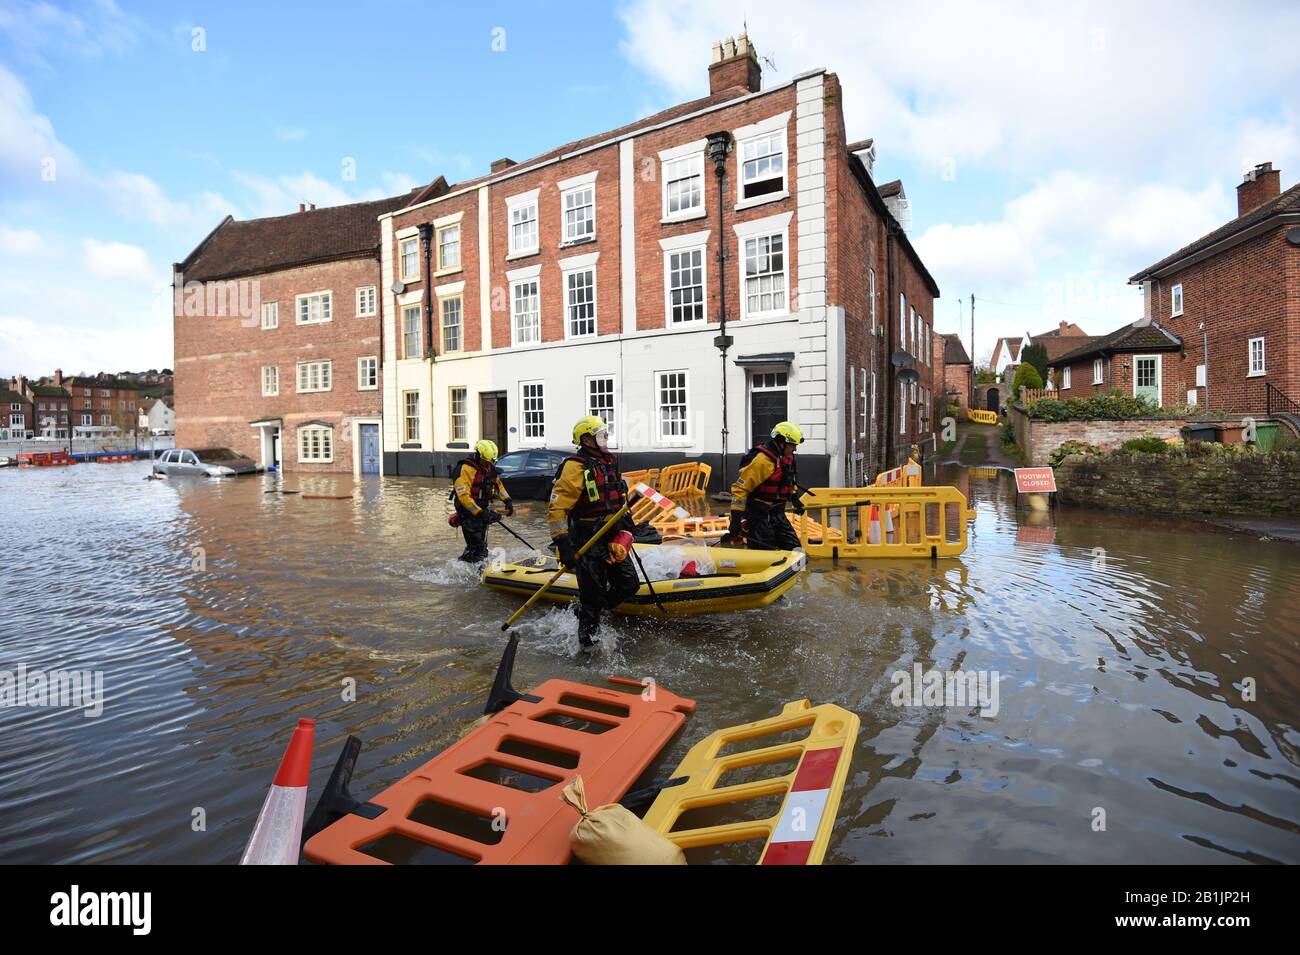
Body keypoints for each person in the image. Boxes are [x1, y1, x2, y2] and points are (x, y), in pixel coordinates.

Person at [548, 416, 638, 648]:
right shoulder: (574, 466)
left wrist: (627, 521)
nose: (606, 439)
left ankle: (590, 611)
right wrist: (563, 544)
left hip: (610, 535)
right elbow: (557, 508)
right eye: (601, 435)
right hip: (587, 538)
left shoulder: (608, 462)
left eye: (606, 434)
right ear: (587, 440)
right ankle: (587, 647)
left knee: (629, 584)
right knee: (591, 596)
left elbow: (617, 497)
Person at [728, 421, 806, 550]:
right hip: (758, 516)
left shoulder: (787, 457)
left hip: (777, 514)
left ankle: (795, 568)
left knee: (796, 550)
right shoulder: (762, 461)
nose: (795, 449)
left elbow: (790, 480)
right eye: (792, 445)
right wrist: (736, 519)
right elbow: (740, 489)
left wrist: (794, 498)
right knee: (766, 552)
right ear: (781, 441)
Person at [450, 439, 512, 563]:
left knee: (480, 545)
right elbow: (464, 497)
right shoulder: (465, 469)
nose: (487, 464)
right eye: (485, 461)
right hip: (468, 513)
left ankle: (474, 567)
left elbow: (498, 485)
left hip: (481, 511)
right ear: (478, 455)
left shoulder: (488, 468)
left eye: (490, 461)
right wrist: (481, 513)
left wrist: (507, 501)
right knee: (477, 546)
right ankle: (463, 569)